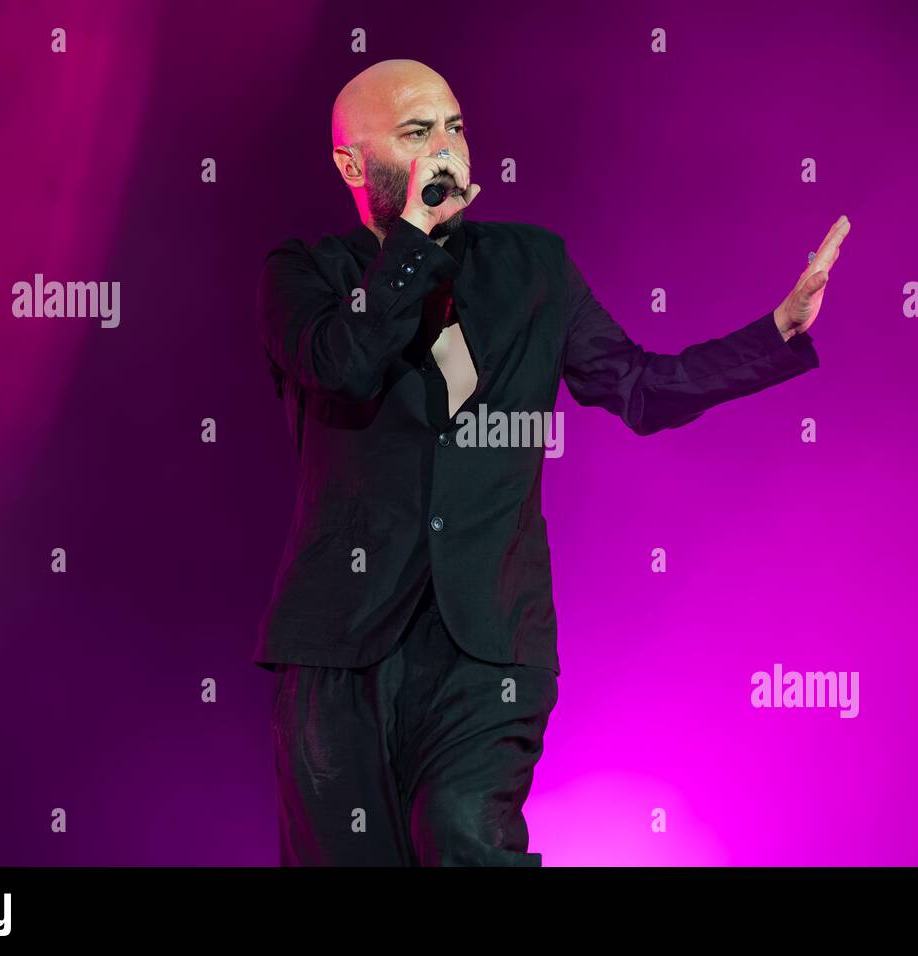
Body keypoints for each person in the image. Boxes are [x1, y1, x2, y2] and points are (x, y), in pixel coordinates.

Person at [254, 58, 851, 865]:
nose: (447, 153)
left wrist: (772, 333)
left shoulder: (531, 266)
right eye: (417, 133)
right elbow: (343, 363)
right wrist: (410, 247)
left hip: (491, 638)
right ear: (353, 165)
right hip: (340, 643)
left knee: (465, 834)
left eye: (456, 128)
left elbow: (640, 388)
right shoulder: (307, 275)